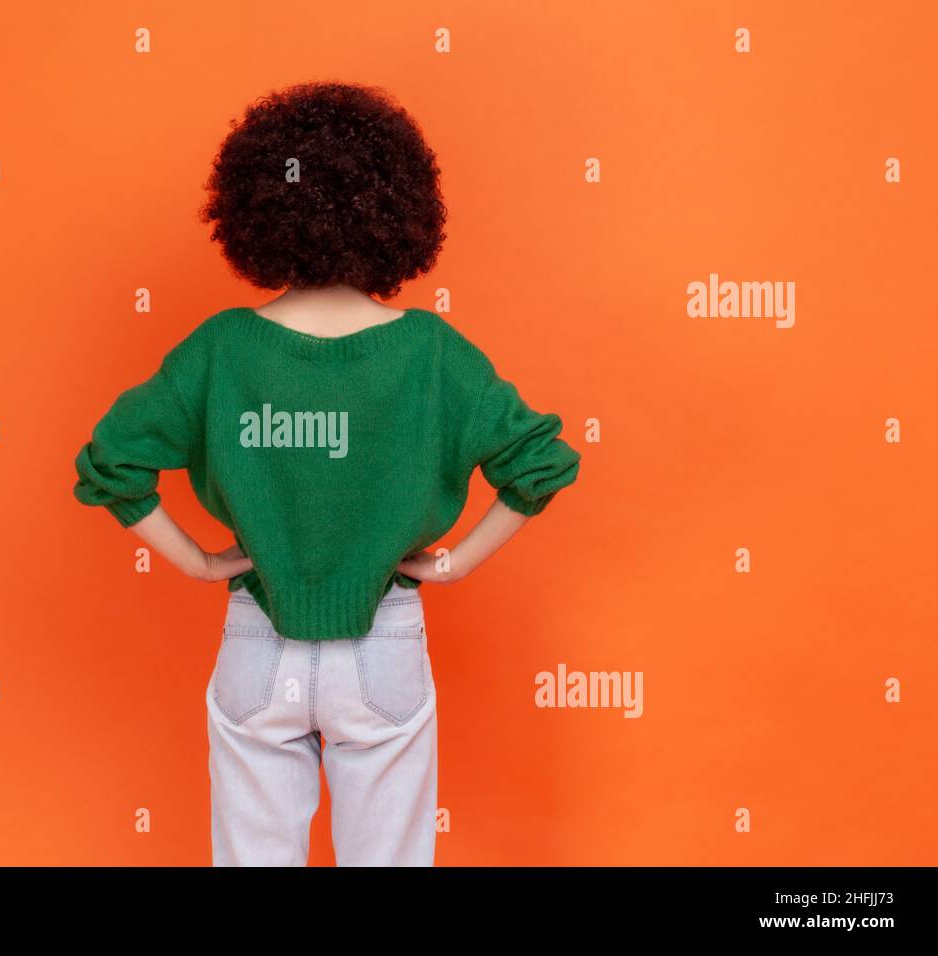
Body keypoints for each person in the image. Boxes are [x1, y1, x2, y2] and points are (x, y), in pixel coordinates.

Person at [73, 81, 581, 866]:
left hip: (256, 642)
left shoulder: (221, 350)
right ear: (399, 209)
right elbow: (540, 463)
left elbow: (111, 463)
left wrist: (204, 563)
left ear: (252, 210)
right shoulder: (434, 354)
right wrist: (452, 564)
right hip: (386, 646)